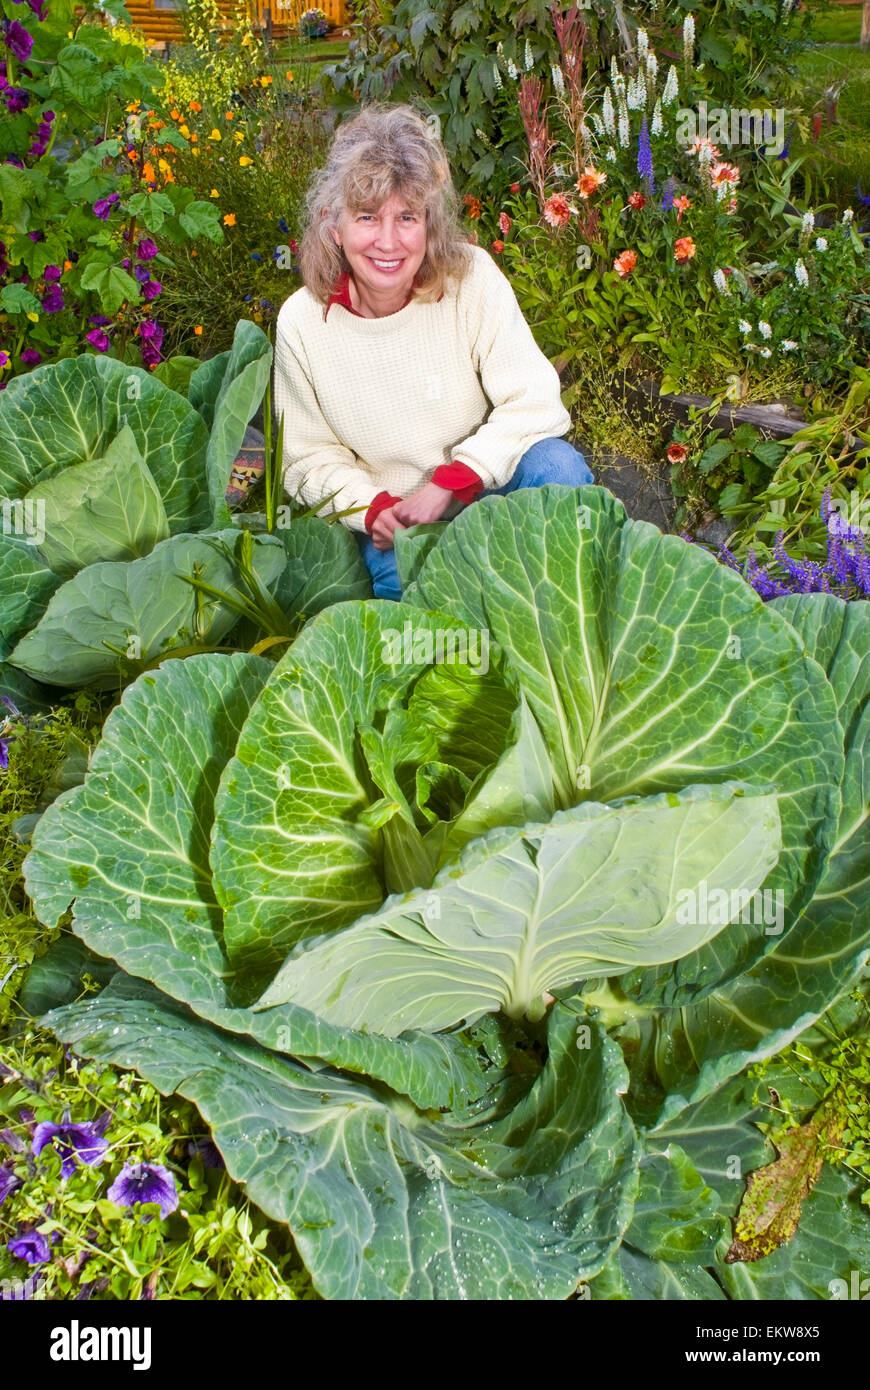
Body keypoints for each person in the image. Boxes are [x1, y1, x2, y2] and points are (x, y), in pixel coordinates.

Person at [273, 100, 593, 600]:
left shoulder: (471, 278)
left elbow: (534, 400)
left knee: (559, 470)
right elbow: (306, 458)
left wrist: (452, 482)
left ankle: (570, 629)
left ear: (430, 224)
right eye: (366, 217)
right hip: (397, 516)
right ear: (333, 226)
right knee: (416, 612)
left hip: (487, 486)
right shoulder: (302, 322)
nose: (388, 241)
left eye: (407, 217)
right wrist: (374, 510)